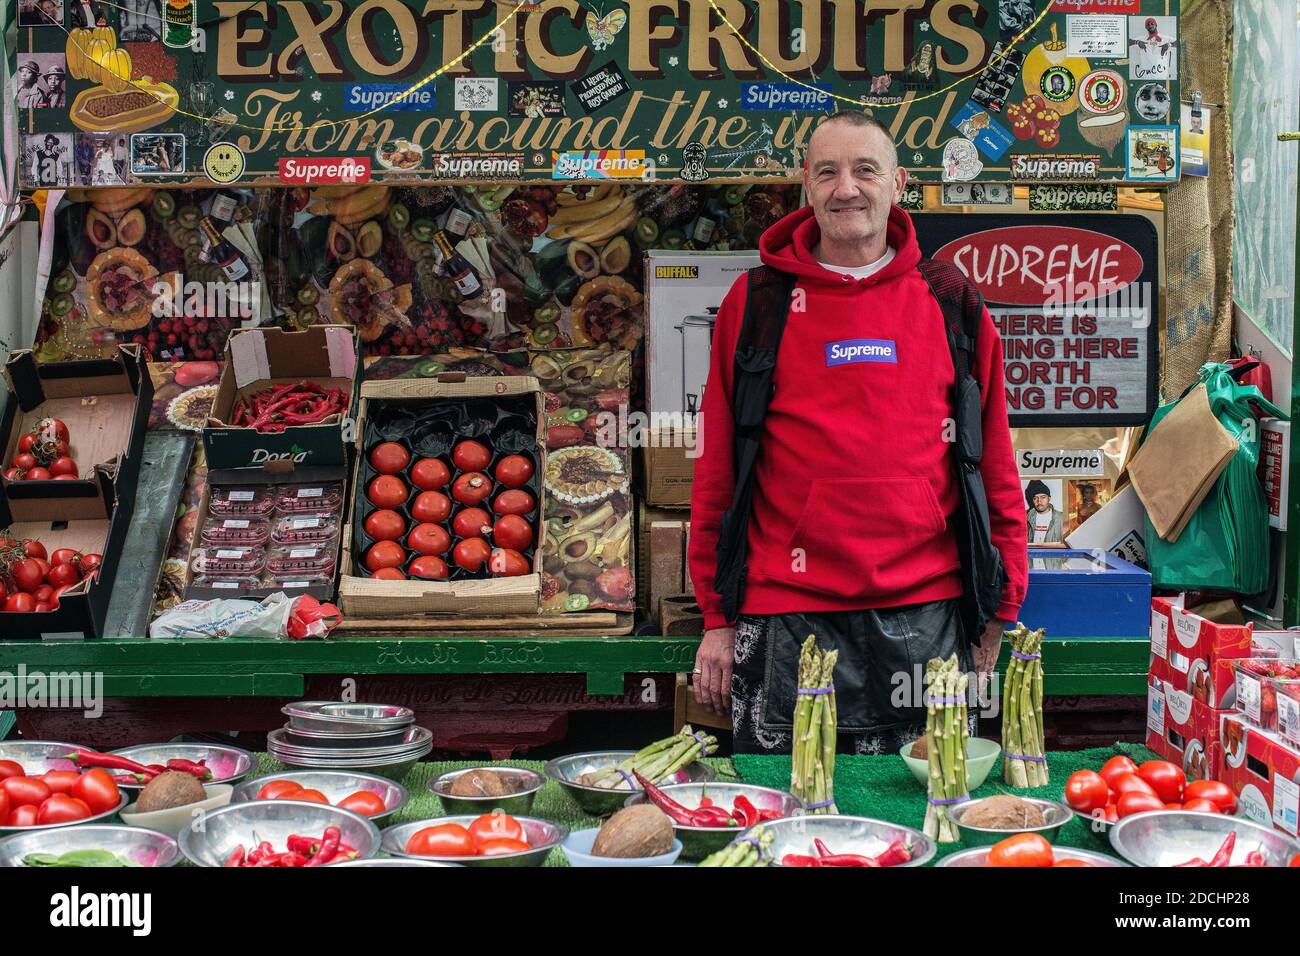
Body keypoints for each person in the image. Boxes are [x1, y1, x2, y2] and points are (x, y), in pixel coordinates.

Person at [688, 112, 1027, 754]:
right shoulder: (756, 304)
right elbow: (717, 472)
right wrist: (716, 617)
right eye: (828, 172)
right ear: (806, 189)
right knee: (785, 816)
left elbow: (997, 464)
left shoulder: (952, 301)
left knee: (927, 810)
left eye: (865, 170)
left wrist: (1000, 610)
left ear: (898, 182)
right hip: (784, 614)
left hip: (929, 615)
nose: (847, 188)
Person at [1025, 479, 1064, 544]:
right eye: (1035, 498)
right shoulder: (1025, 517)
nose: (1039, 501)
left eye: (1043, 497)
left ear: (1049, 498)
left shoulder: (1061, 518)